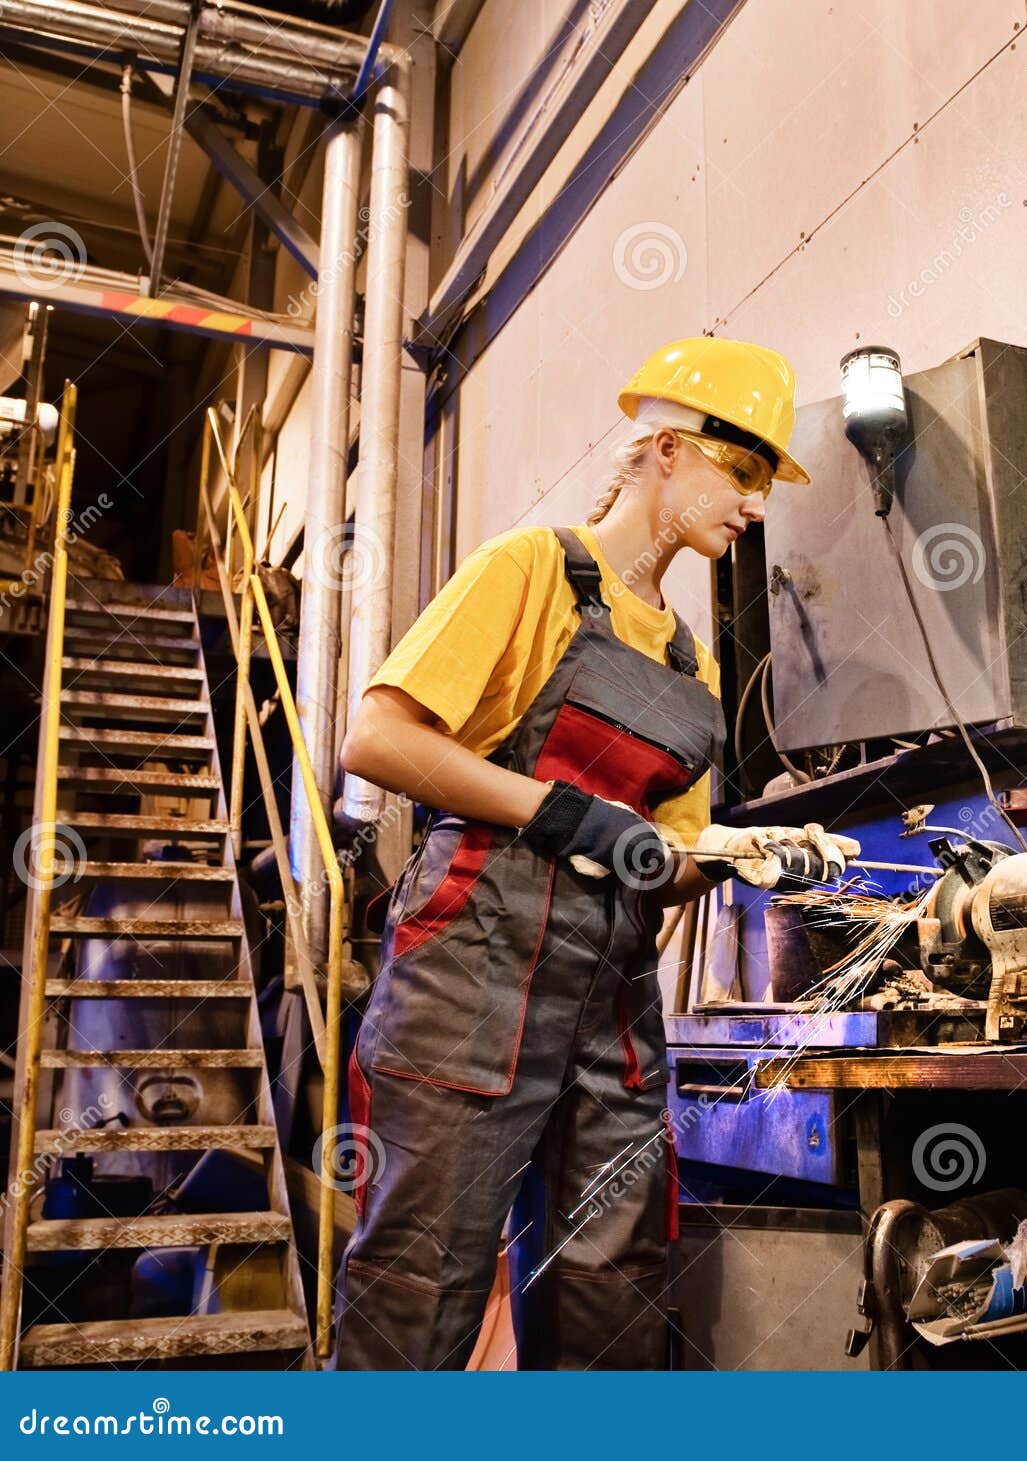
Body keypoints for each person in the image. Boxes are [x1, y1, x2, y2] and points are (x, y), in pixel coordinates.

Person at [332, 337, 859, 1370]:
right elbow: (378, 739)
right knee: (419, 1289)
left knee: (611, 1290)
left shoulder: (686, 662)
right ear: (667, 448)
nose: (755, 506)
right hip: (470, 988)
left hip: (611, 1005)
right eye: (743, 471)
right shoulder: (528, 570)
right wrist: (568, 817)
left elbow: (662, 856)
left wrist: (747, 854)